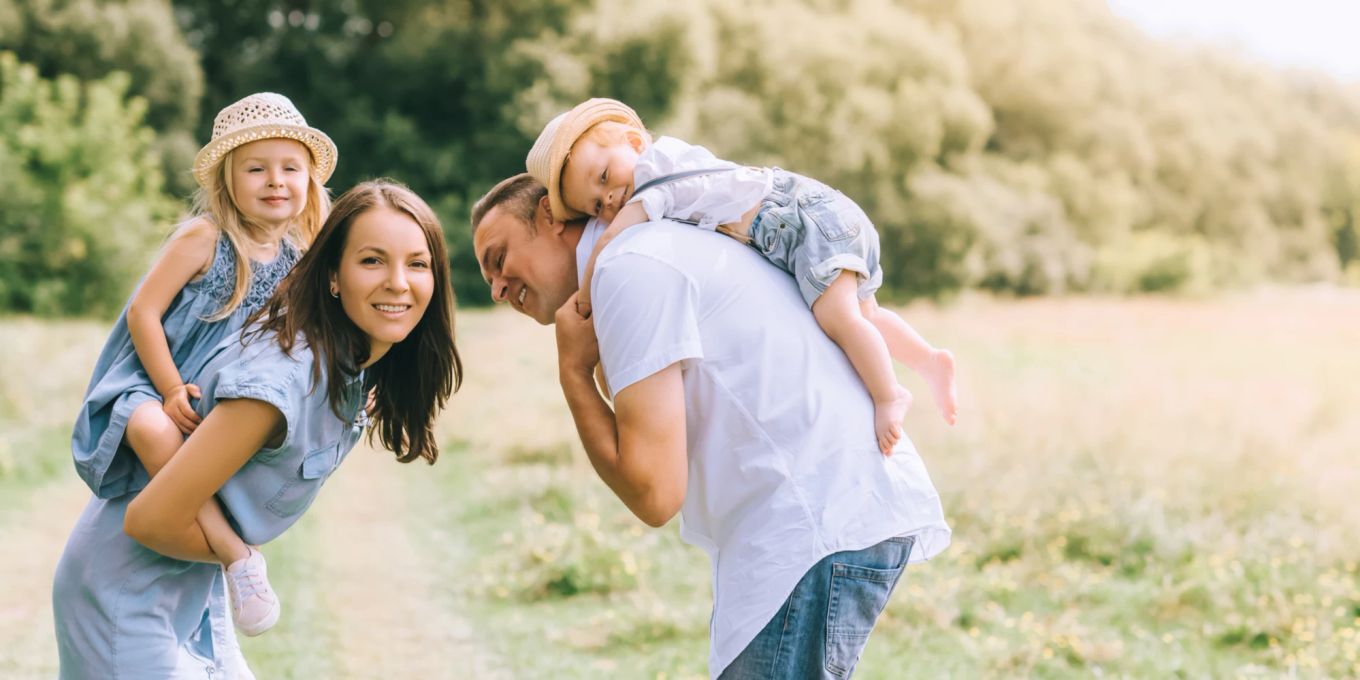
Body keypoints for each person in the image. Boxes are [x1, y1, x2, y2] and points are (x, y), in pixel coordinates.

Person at [471, 172, 951, 679]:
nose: (498, 289)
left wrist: (573, 372)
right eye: (488, 281)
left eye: (499, 260)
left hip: (812, 524)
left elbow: (654, 494)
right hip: (812, 523)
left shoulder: (628, 267)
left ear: (550, 214)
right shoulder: (643, 251)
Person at [54, 179, 462, 678]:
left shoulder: (348, 368)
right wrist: (240, 556)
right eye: (372, 260)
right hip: (124, 601)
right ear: (333, 277)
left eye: (417, 264)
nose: (398, 282)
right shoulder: (278, 386)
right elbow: (149, 521)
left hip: (195, 597)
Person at [526, 98, 958, 454]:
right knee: (866, 316)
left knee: (840, 318)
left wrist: (585, 299)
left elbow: (608, 241)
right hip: (811, 215)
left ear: (635, 142)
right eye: (596, 204)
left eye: (604, 177)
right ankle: (929, 360)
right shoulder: (652, 175)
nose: (609, 199)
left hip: (798, 220)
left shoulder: (655, 173)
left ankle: (889, 395)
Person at [69, 92, 338, 636]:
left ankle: (220, 563)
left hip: (219, 400)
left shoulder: (299, 261)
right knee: (153, 430)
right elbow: (143, 311)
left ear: (310, 181)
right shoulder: (206, 238)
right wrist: (169, 388)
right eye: (256, 169)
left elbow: (316, 336)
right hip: (150, 382)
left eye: (290, 169)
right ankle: (237, 556)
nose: (275, 181)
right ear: (227, 180)